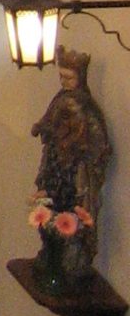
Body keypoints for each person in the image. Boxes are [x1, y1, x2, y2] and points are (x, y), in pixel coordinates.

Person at [31, 47, 112, 274]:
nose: (64, 82)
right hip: (56, 165)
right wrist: (41, 128)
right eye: (61, 77)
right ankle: (50, 252)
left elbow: (99, 144)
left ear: (80, 78)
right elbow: (49, 122)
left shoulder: (87, 108)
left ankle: (72, 262)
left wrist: (81, 148)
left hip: (75, 171)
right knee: (49, 210)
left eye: (69, 78)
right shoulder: (59, 99)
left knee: (73, 214)